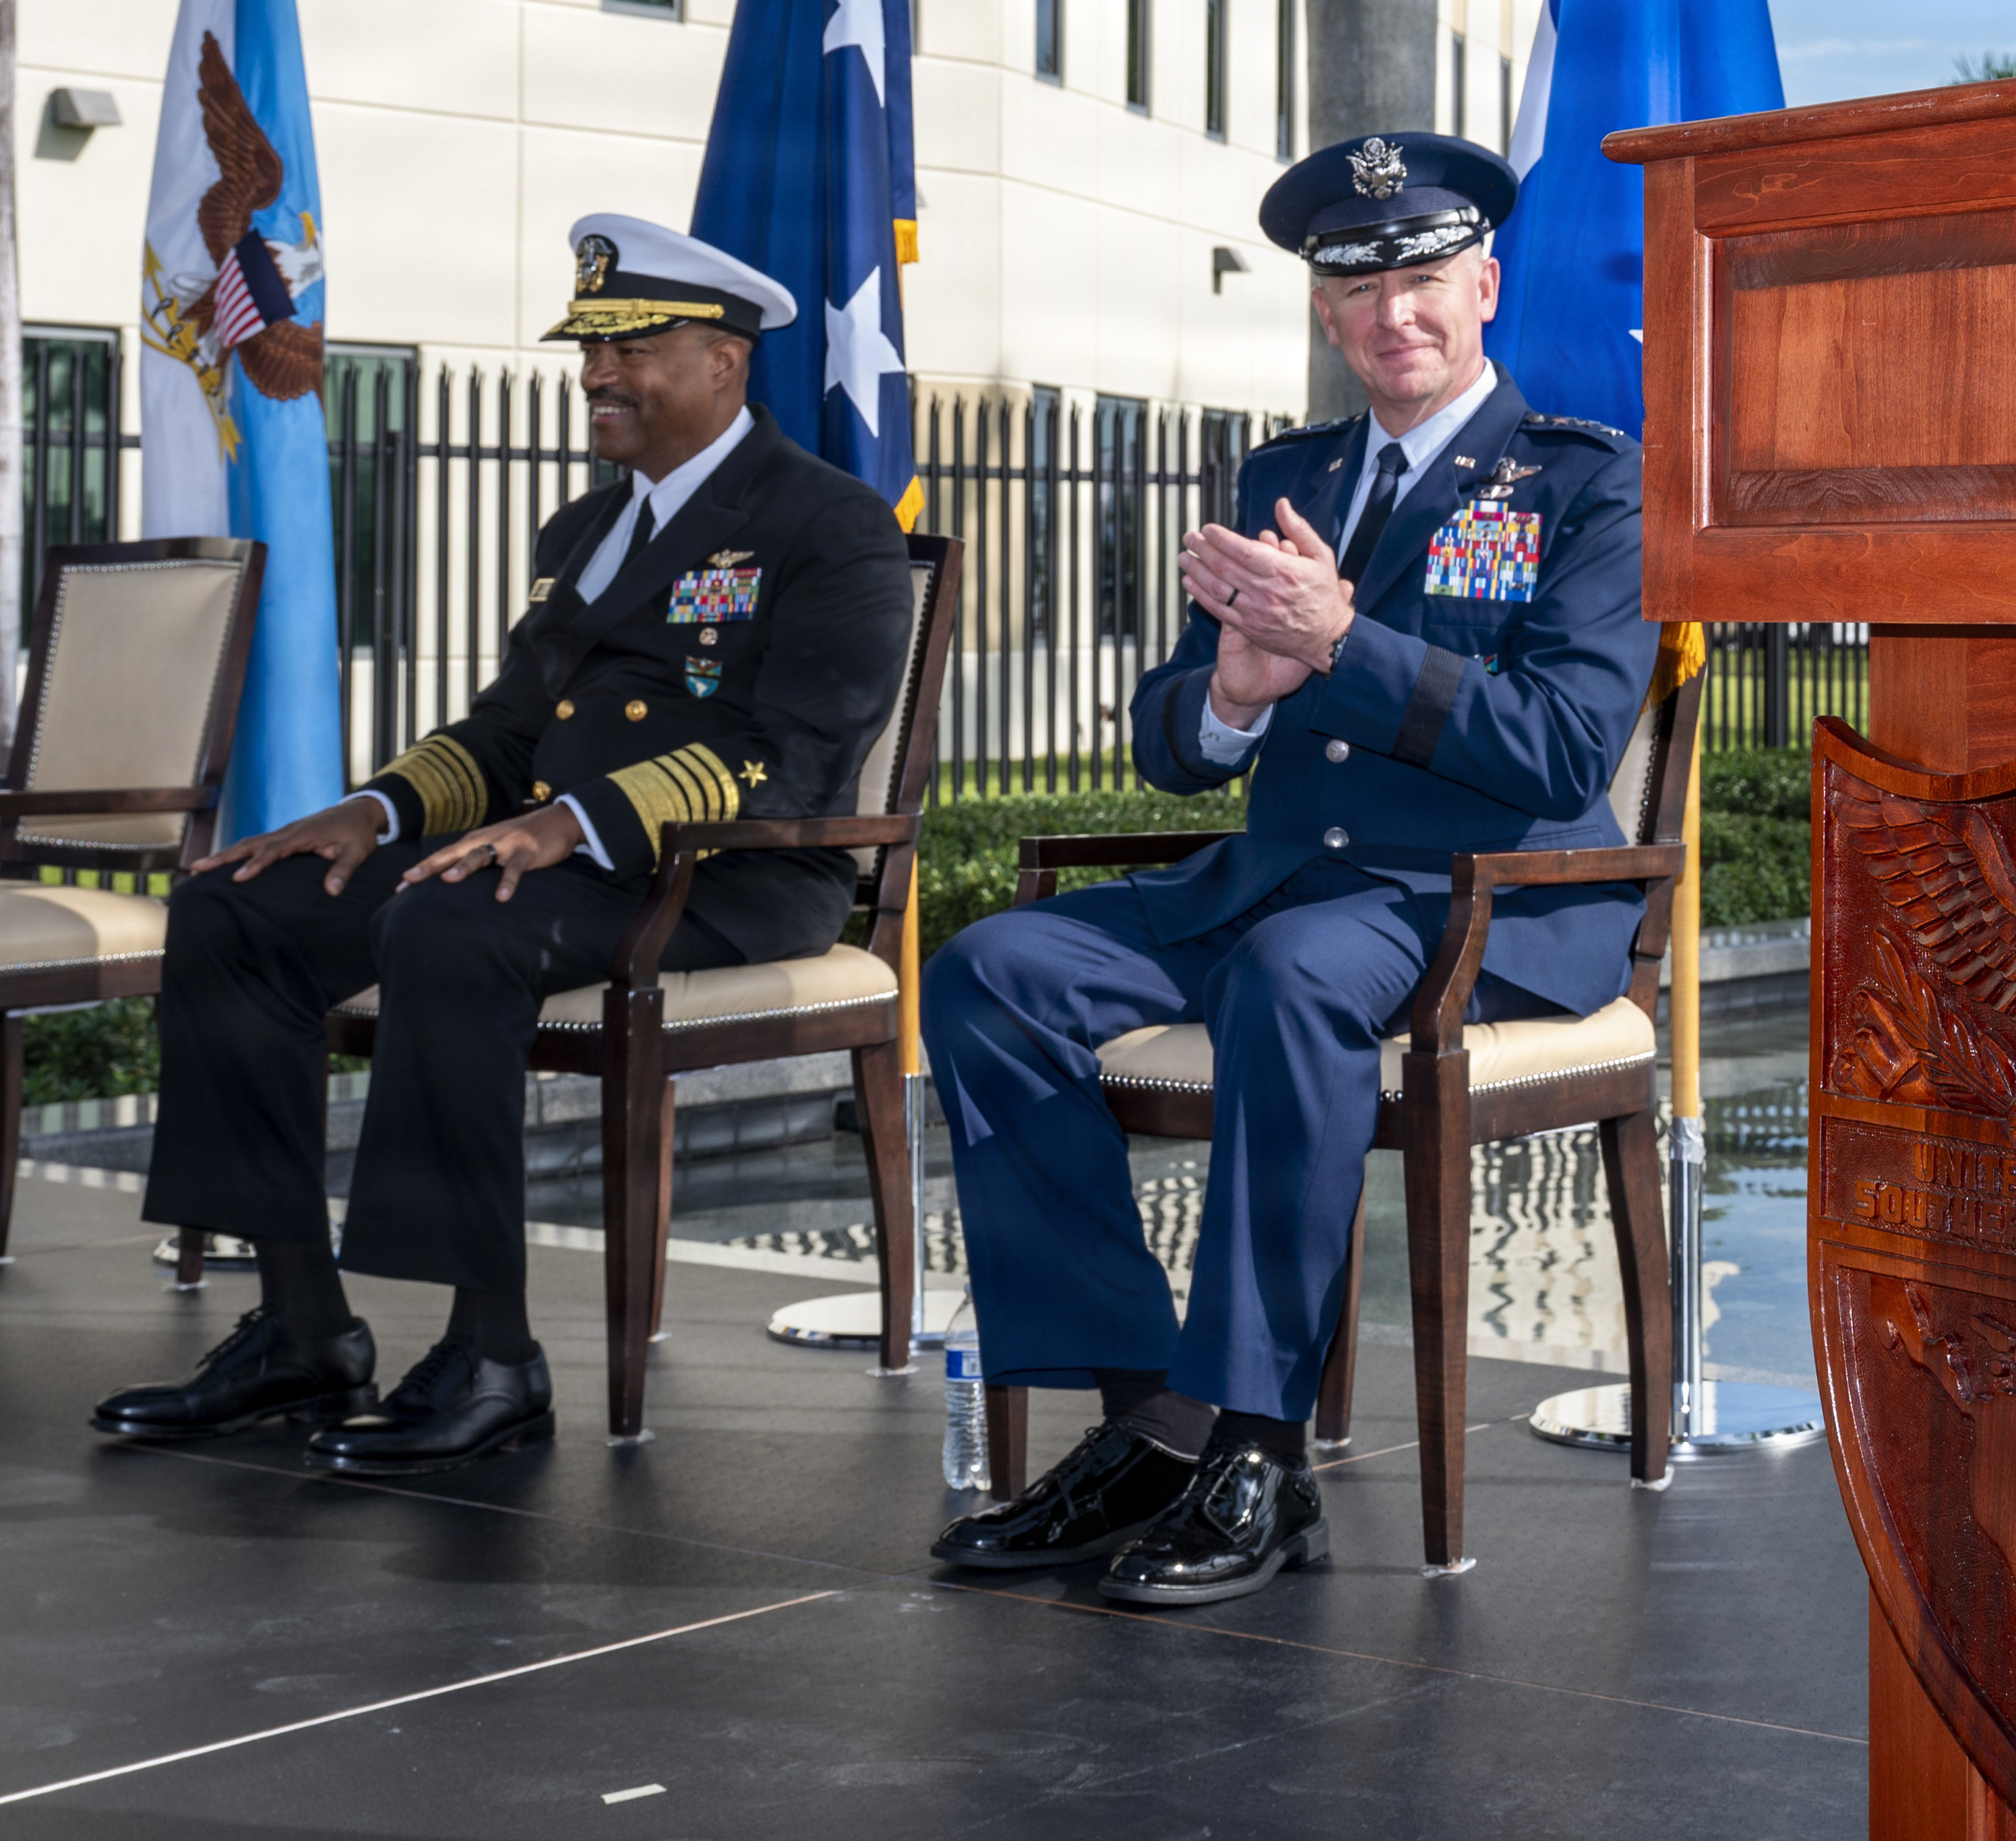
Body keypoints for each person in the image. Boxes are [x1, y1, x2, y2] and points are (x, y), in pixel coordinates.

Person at [923, 131, 1655, 1604]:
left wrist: (1340, 644)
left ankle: (1261, 1444)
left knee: (1289, 975)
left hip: (1473, 897)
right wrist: (1239, 693)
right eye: (1361, 288)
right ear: (1325, 311)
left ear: (1487, 286)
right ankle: (1151, 1417)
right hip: (1286, 881)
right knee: (992, 970)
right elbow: (1175, 744)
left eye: (1430, 280)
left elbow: (1568, 746)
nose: (1399, 315)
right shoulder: (1284, 473)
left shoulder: (1586, 485)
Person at [94, 218, 913, 1473]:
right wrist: (369, 812)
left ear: (723, 362)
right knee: (239, 905)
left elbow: (798, 757)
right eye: (590, 349)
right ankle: (298, 1327)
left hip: (729, 878)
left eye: (631, 347)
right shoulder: (583, 532)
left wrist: (568, 821)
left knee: (446, 924)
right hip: (553, 863)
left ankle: (491, 1358)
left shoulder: (826, 524)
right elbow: (505, 728)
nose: (597, 375)